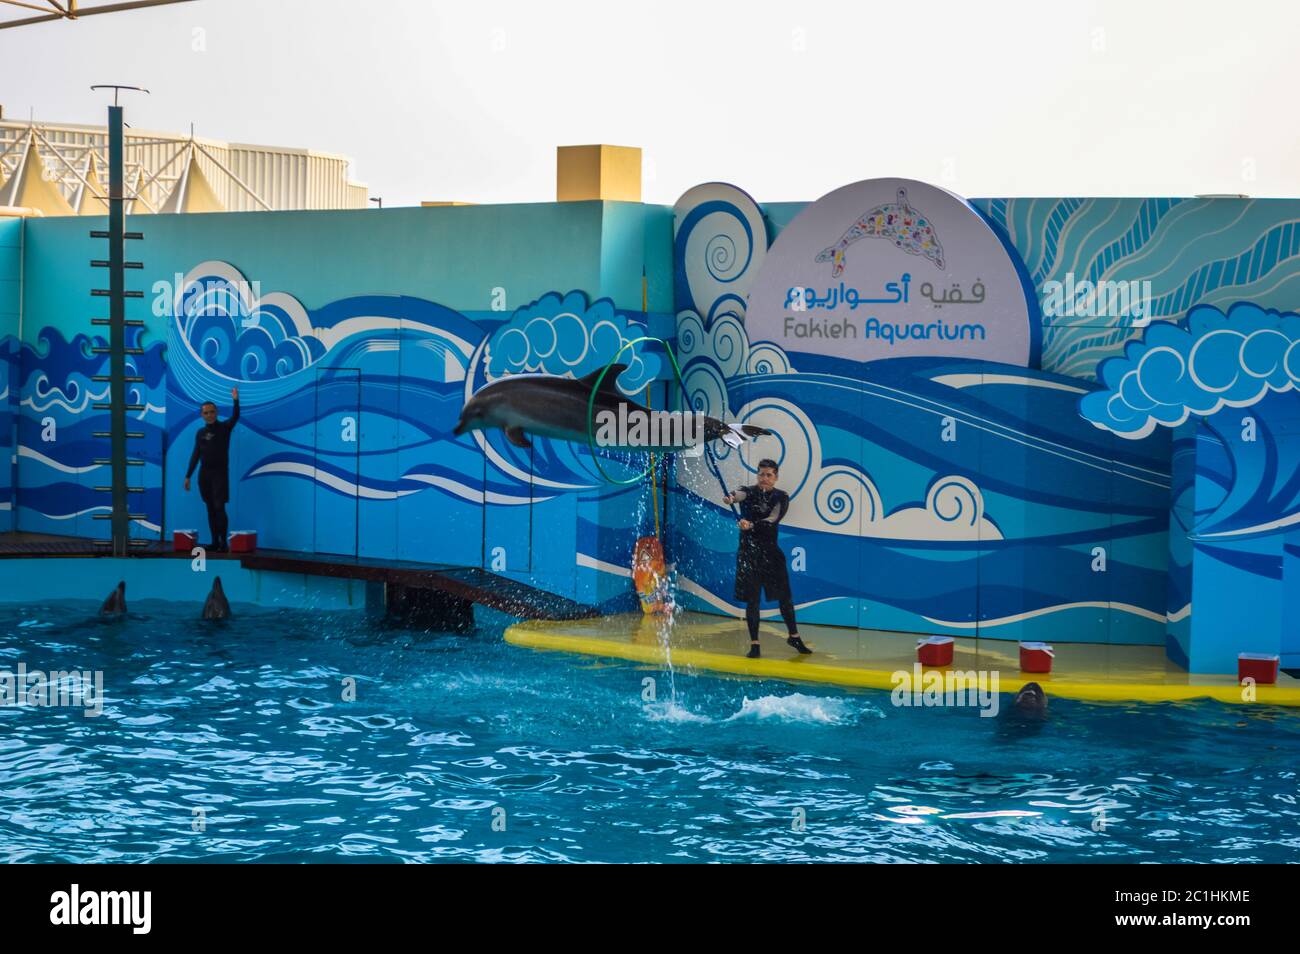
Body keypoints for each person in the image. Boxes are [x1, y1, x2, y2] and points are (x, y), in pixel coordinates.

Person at [723, 459, 812, 658]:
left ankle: (794, 636)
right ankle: (755, 644)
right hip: (749, 555)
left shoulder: (781, 497)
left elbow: (772, 519)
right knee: (752, 601)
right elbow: (738, 494)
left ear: (776, 477)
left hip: (771, 554)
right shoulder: (749, 491)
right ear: (758, 475)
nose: (764, 478)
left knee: (785, 598)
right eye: (761, 474)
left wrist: (751, 525)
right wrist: (729, 498)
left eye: (769, 475)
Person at [184, 387, 240, 552]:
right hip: (204, 474)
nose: (209, 415)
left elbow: (236, 416)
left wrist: (235, 400)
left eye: (212, 412)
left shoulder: (225, 428)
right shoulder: (200, 432)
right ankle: (215, 542)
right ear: (202, 415)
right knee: (209, 507)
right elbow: (195, 455)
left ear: (216, 412)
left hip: (219, 474)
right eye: (206, 413)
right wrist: (188, 476)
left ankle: (223, 543)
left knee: (219, 507)